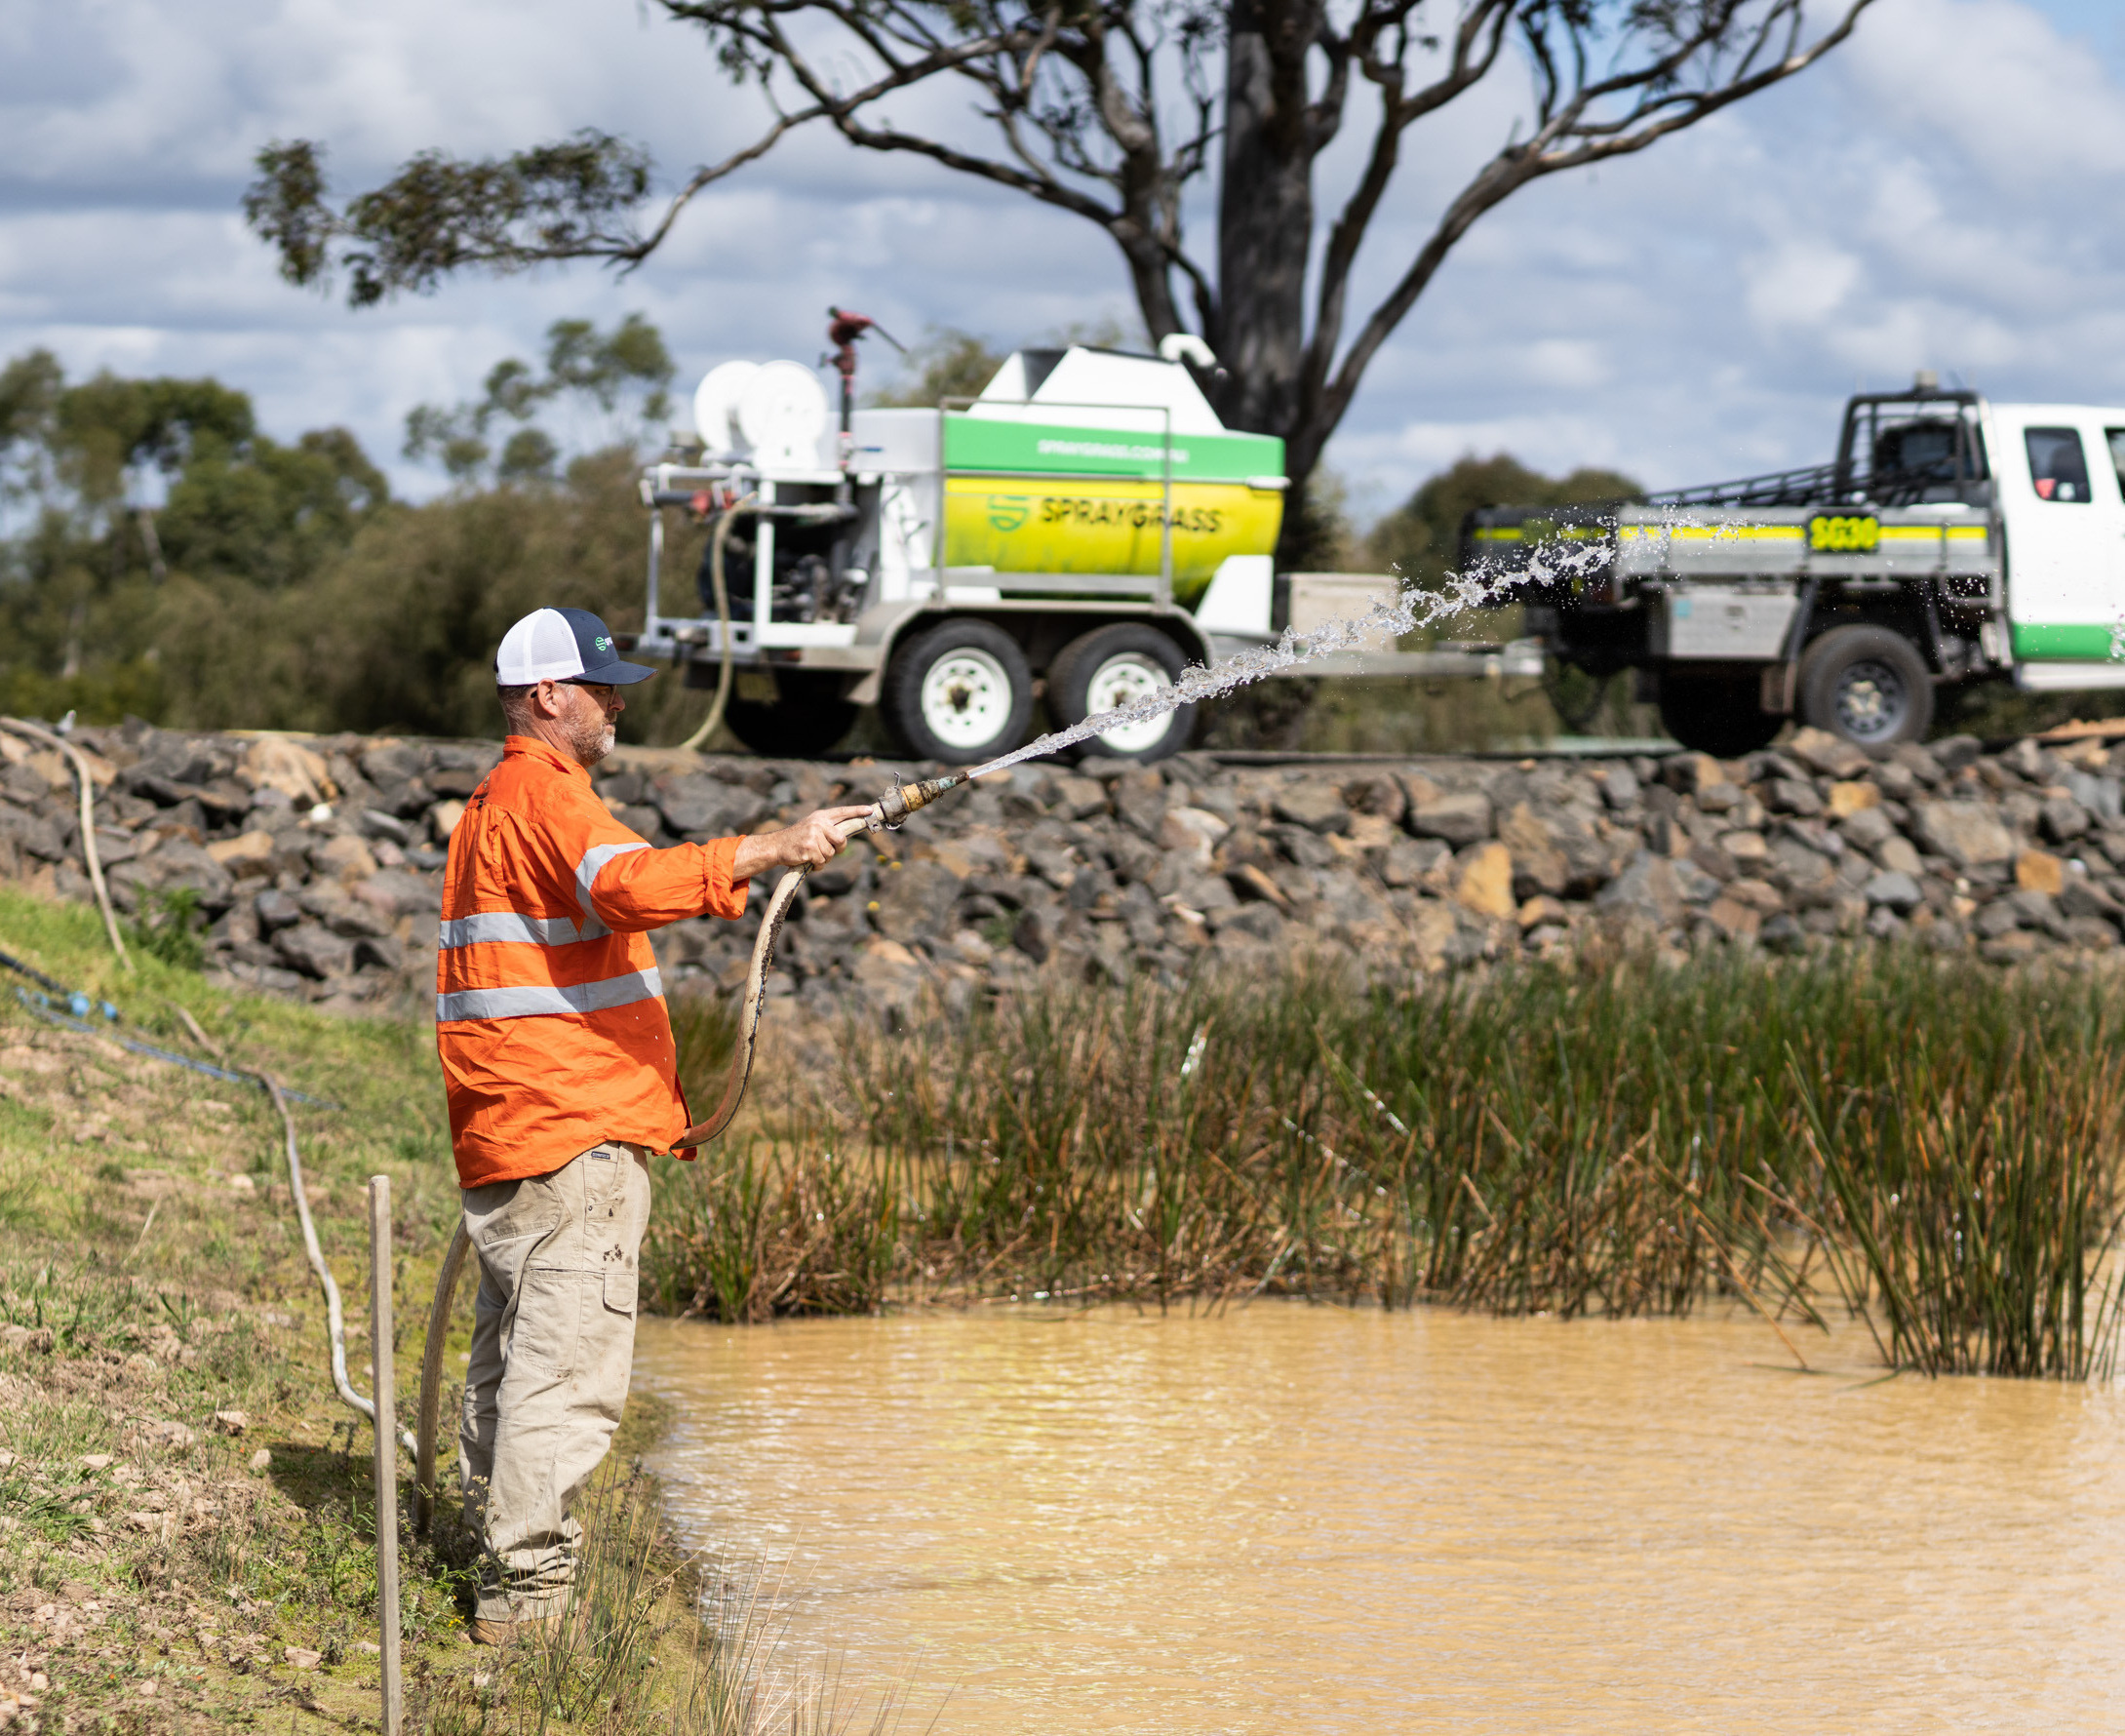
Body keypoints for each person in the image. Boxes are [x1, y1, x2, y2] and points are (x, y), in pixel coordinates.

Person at [437, 605, 869, 1644]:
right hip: (567, 1138)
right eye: (602, 686)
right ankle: (526, 1608)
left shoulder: (498, 802)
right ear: (550, 696)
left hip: (514, 1136)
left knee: (511, 1366)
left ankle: (482, 1546)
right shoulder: (548, 796)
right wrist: (770, 845)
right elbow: (627, 883)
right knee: (563, 1377)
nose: (619, 701)